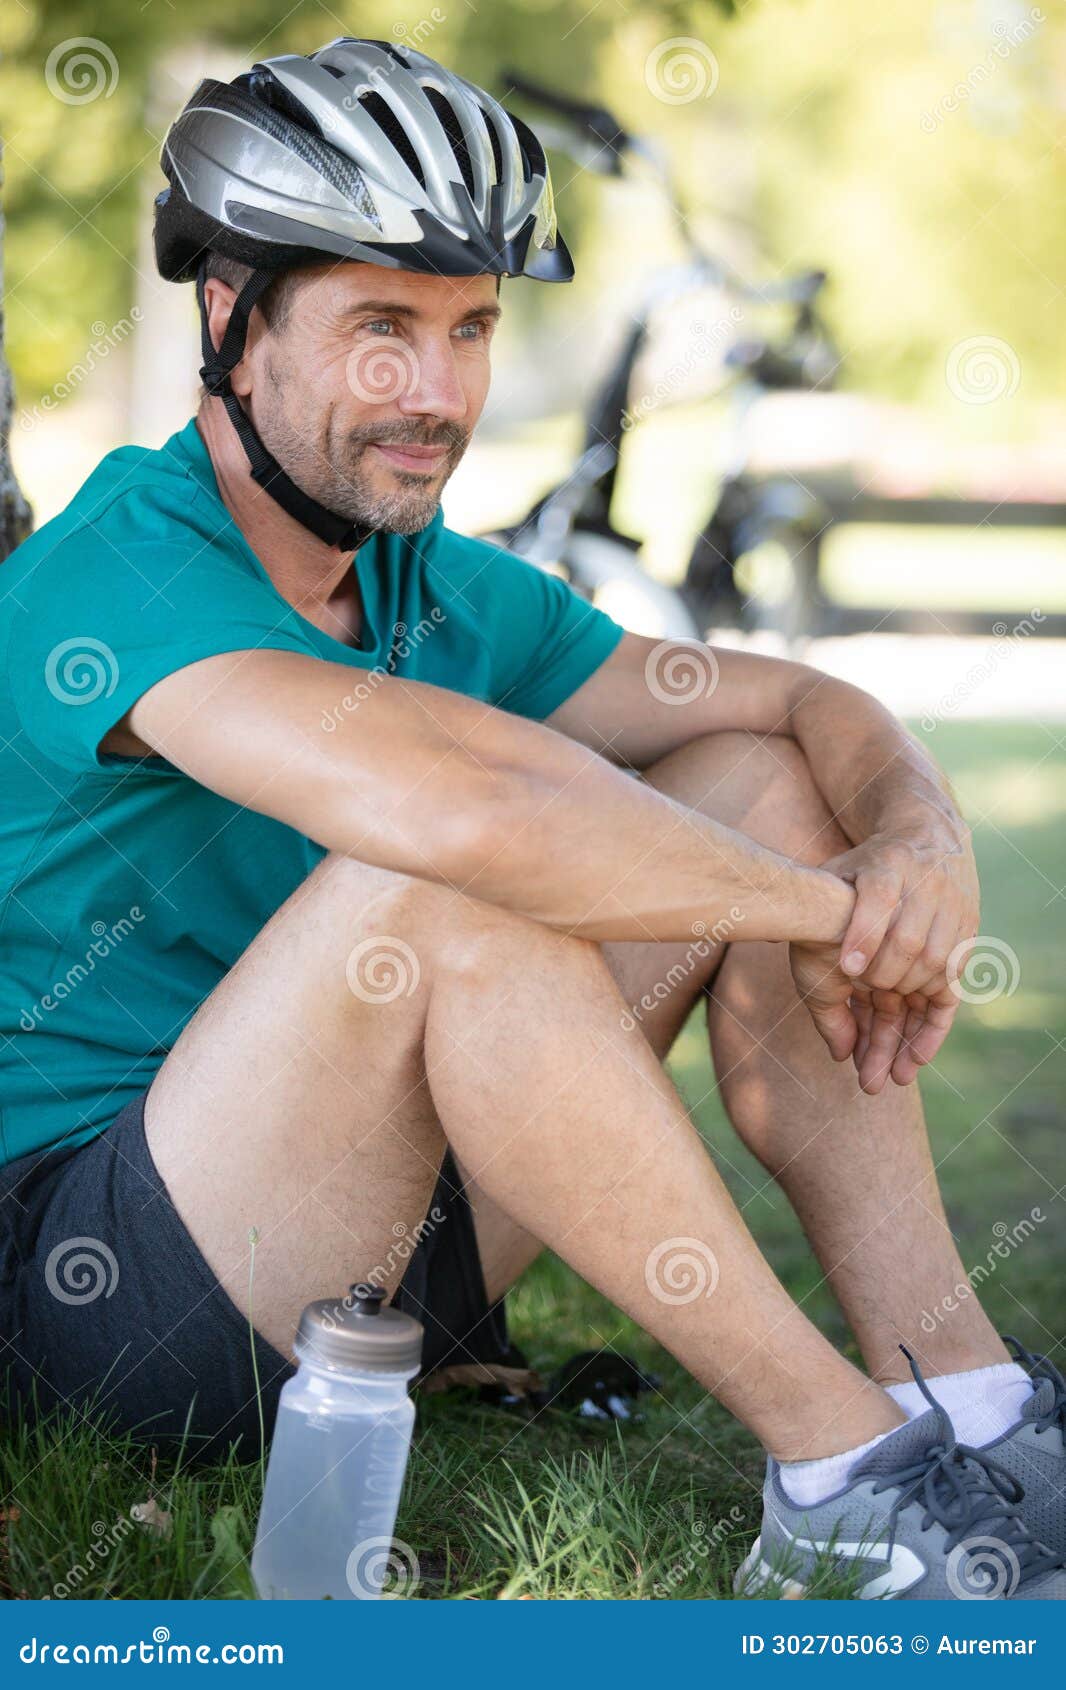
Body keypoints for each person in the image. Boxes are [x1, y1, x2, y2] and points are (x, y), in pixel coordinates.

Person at [0, 38, 1061, 1601]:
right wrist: (847, 919)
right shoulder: (115, 572)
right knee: (435, 889)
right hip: (102, 1296)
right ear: (230, 320)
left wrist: (916, 842)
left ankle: (963, 1396)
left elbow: (781, 699)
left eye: (469, 330)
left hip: (367, 1244)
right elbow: (463, 814)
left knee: (761, 783)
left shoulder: (425, 578)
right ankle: (841, 1474)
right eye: (379, 328)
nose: (436, 396)